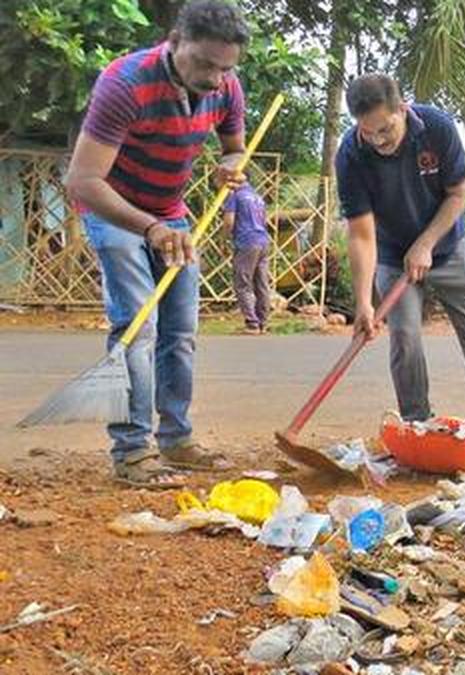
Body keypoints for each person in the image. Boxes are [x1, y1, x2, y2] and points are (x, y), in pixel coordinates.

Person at [65, 0, 248, 488]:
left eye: (225, 68)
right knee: (136, 328)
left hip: (171, 214)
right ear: (174, 42)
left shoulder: (225, 86)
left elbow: (234, 147)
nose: (215, 78)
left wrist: (230, 167)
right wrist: (148, 228)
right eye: (205, 64)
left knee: (180, 333)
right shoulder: (125, 84)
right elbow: (82, 181)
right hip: (115, 212)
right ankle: (131, 452)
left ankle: (177, 440)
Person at [335, 74, 465, 445]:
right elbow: (361, 233)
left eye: (386, 129)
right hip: (391, 253)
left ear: (402, 109)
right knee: (404, 336)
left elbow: (457, 194)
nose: (378, 140)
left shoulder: (437, 128)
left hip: (448, 245)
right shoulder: (351, 154)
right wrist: (362, 303)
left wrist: (425, 243)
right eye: (368, 132)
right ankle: (417, 426)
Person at [223, 180, 271, 334]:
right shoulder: (258, 197)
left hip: (246, 242)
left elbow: (229, 222)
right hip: (263, 241)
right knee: (261, 283)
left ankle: (252, 323)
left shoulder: (236, 196)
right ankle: (263, 322)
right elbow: (265, 221)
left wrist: (224, 241)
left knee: (242, 283)